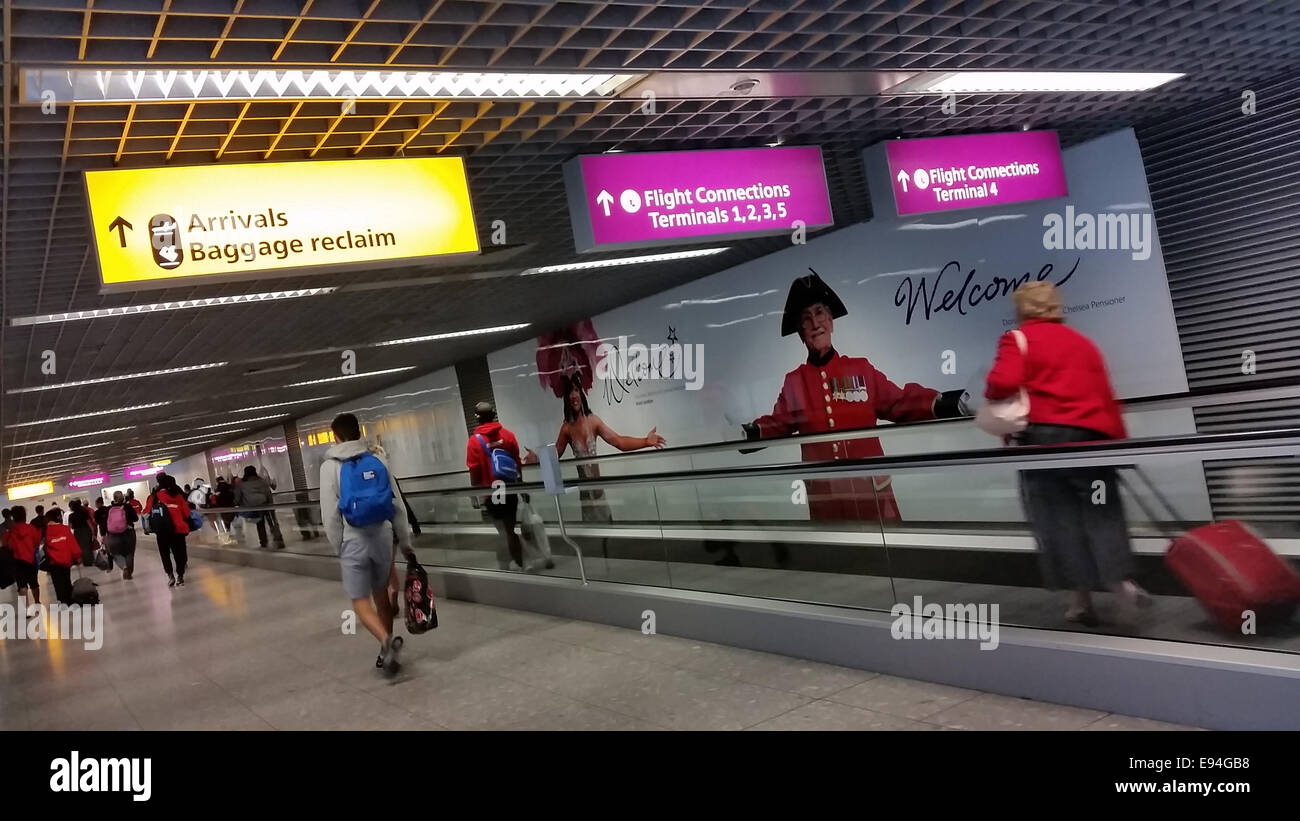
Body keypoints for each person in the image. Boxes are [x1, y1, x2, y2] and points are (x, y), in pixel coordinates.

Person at [985, 281, 1151, 628]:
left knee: (1059, 520)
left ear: (1021, 309)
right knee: (1103, 514)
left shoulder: (1018, 339)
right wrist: (1119, 445)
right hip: (1092, 441)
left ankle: (1081, 600)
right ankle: (1122, 584)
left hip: (1046, 442)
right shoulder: (1083, 343)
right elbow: (1105, 394)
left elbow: (1001, 382)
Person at [743, 270, 971, 521]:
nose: (815, 323)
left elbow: (899, 402)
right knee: (840, 557)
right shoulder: (795, 382)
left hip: (870, 492)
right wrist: (749, 433)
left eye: (820, 312)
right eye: (806, 319)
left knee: (885, 555)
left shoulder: (860, 369)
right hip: (827, 498)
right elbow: (778, 423)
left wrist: (948, 403)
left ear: (831, 320)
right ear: (800, 331)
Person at [319, 412, 413, 676]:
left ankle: (385, 642)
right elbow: (397, 505)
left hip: (353, 538)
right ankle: (387, 652)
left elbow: (329, 516)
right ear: (359, 432)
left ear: (335, 436)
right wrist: (405, 542)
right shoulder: (378, 459)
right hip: (382, 535)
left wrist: (339, 548)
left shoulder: (330, 467)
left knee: (360, 601)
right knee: (380, 593)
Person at [466, 401, 525, 570]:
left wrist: (475, 493)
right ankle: (519, 563)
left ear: (477, 419)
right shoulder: (508, 435)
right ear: (493, 415)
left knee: (502, 530)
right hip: (510, 490)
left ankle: (506, 566)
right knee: (510, 528)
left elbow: (474, 470)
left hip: (491, 494)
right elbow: (517, 463)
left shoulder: (474, 442)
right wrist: (521, 485)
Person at [144, 472, 193, 588]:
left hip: (162, 530)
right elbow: (186, 513)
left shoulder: (154, 497)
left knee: (164, 554)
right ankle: (180, 576)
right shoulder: (178, 496)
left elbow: (146, 512)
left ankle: (170, 576)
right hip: (178, 529)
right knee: (179, 553)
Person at [234, 465, 284, 549]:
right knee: (272, 522)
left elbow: (237, 498)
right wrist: (271, 506)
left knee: (260, 524)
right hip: (265, 504)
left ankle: (263, 542)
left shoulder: (241, 484)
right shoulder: (262, 481)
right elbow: (268, 493)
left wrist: (237, 504)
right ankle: (278, 539)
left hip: (253, 507)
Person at [41, 509, 82, 605]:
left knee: (57, 582)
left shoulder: (45, 531)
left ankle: (62, 600)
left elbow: (43, 547)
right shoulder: (64, 528)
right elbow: (72, 543)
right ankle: (70, 599)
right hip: (66, 559)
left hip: (53, 562)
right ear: (57, 517)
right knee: (66, 579)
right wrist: (77, 556)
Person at [3, 506, 40, 604]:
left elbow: (8, 546)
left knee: (21, 585)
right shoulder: (31, 528)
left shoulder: (10, 532)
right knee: (34, 583)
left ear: (13, 517)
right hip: (30, 559)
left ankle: (26, 607)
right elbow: (37, 542)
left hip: (17, 561)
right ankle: (37, 603)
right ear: (24, 516)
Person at [103, 491, 140, 580]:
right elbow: (135, 518)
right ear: (123, 498)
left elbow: (105, 523)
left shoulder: (108, 509)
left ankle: (124, 567)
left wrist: (104, 536)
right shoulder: (127, 507)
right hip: (128, 533)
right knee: (129, 553)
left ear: (114, 498)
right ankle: (129, 573)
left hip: (113, 535)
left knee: (115, 553)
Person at [68, 499, 96, 568]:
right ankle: (90, 561)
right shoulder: (84, 513)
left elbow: (69, 527)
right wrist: (93, 532)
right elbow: (89, 523)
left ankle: (85, 561)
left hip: (77, 532)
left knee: (81, 547)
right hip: (86, 530)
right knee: (88, 546)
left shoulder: (71, 516)